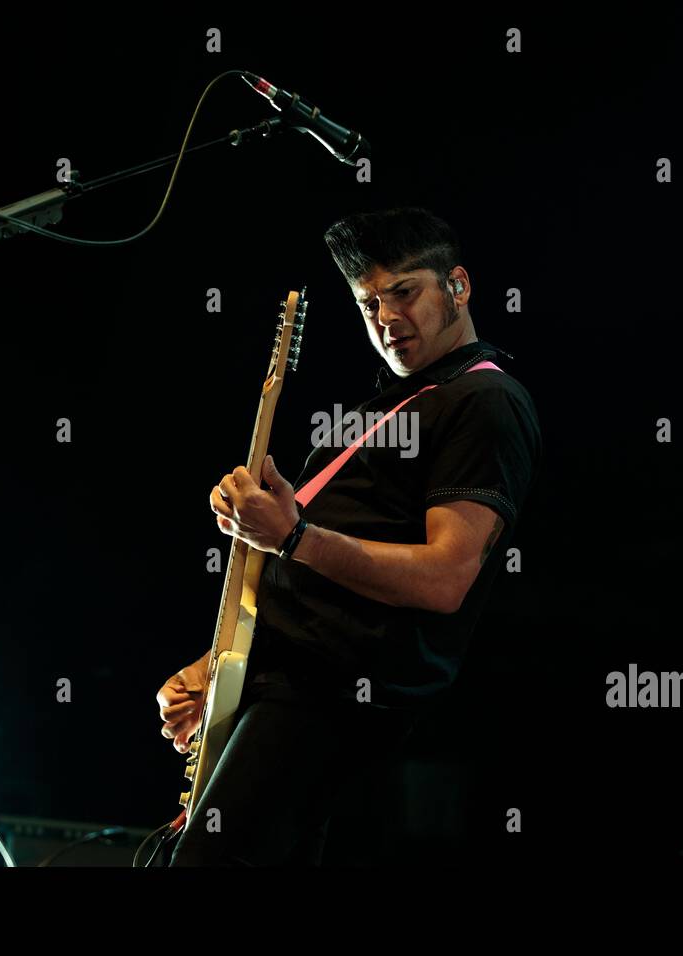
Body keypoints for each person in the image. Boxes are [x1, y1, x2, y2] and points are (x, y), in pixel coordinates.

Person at [156, 207, 541, 865]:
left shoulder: (486, 401)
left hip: (336, 689)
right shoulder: (377, 411)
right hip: (285, 679)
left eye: (405, 292)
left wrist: (293, 535)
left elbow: (446, 578)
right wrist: (219, 669)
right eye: (369, 303)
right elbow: (289, 570)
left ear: (460, 286)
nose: (387, 317)